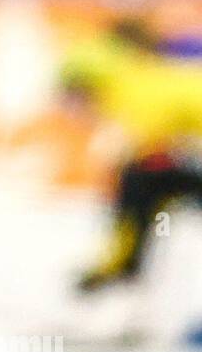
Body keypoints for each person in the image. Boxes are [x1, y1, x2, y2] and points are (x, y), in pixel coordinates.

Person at [59, 22, 202, 294]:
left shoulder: (131, 89)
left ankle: (120, 272)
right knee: (149, 176)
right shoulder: (146, 77)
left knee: (142, 177)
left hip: (158, 165)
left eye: (75, 97)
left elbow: (145, 148)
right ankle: (122, 270)